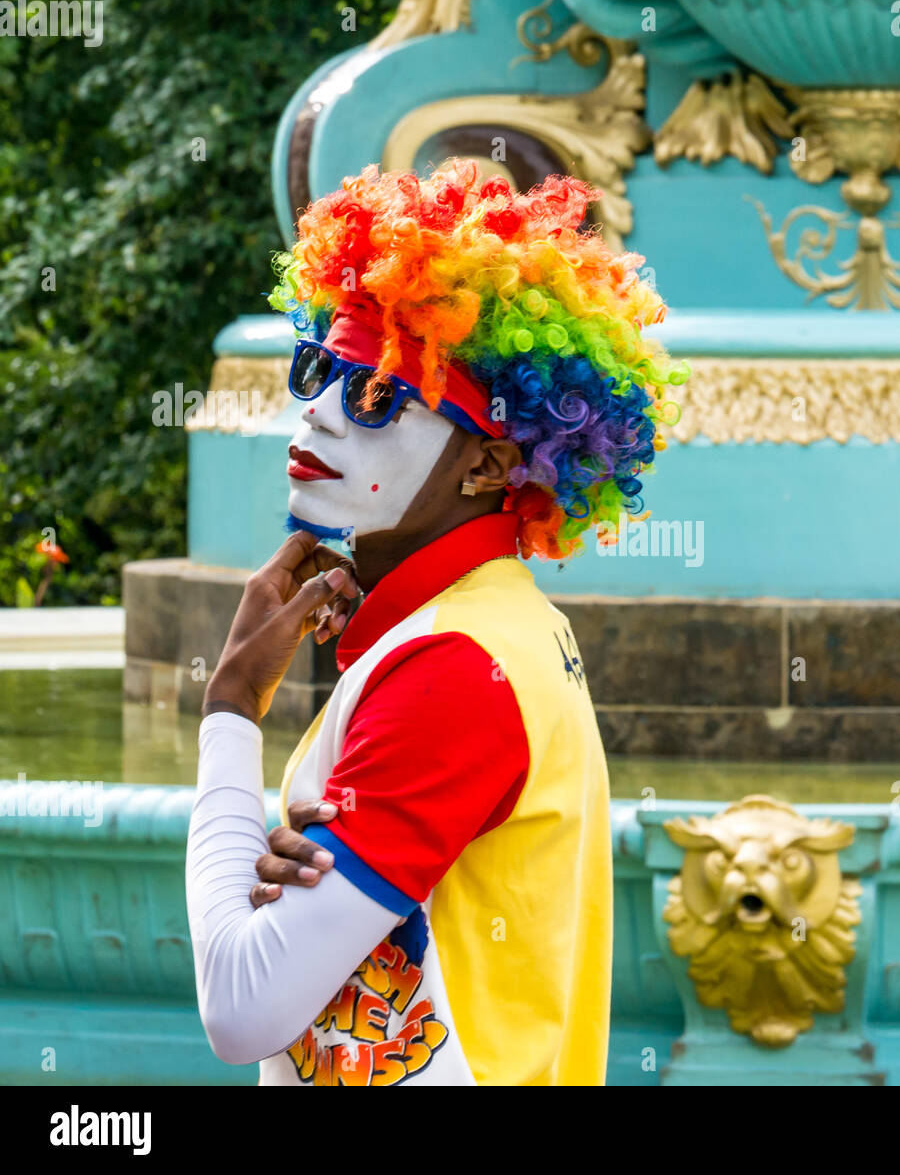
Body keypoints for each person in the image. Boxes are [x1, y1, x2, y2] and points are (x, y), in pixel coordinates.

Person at [184, 161, 683, 1086]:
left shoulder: (455, 667)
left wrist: (229, 709)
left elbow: (239, 1005)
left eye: (377, 396)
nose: (319, 414)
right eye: (318, 371)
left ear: (490, 466)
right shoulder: (506, 623)